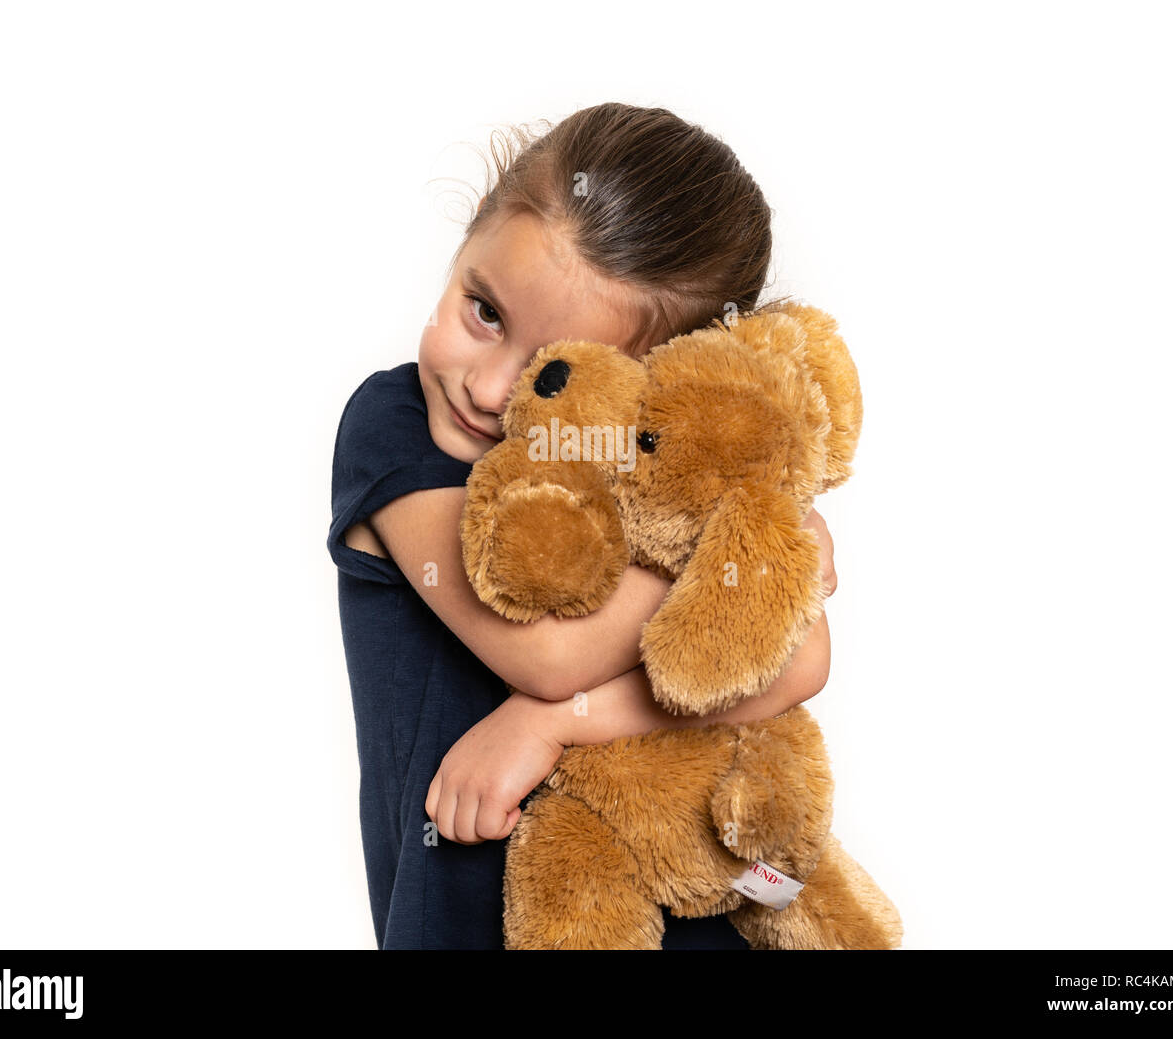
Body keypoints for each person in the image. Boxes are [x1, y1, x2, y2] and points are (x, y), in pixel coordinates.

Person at [327, 103, 837, 949]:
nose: (489, 390)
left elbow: (805, 663)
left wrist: (554, 721)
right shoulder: (392, 431)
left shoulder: (651, 469)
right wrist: (748, 569)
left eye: (546, 369)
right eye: (483, 310)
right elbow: (547, 648)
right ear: (467, 239)